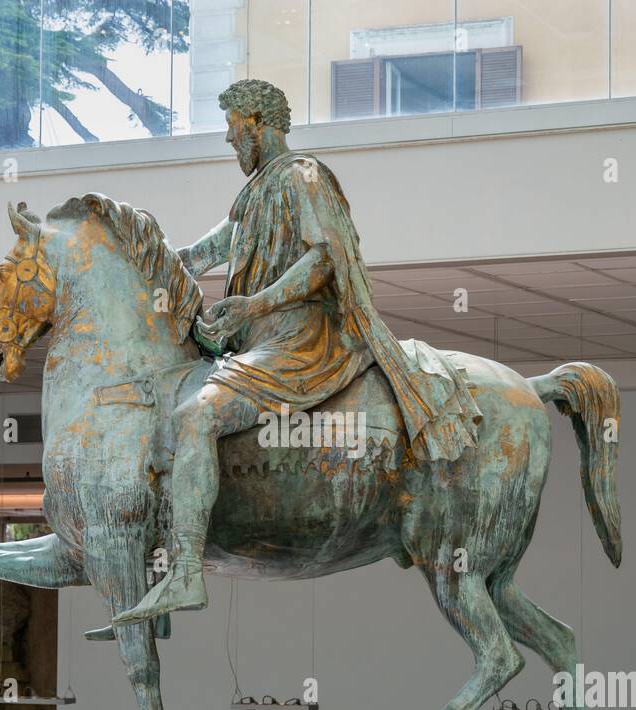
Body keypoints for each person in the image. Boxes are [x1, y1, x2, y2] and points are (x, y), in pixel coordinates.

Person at [112, 79, 480, 627]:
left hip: (303, 340)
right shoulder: (258, 189)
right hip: (262, 337)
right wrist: (143, 264)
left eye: (234, 130)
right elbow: (207, 249)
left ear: (257, 123)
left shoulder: (303, 176)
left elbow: (323, 260)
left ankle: (187, 570)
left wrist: (252, 305)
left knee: (196, 418)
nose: (231, 141)